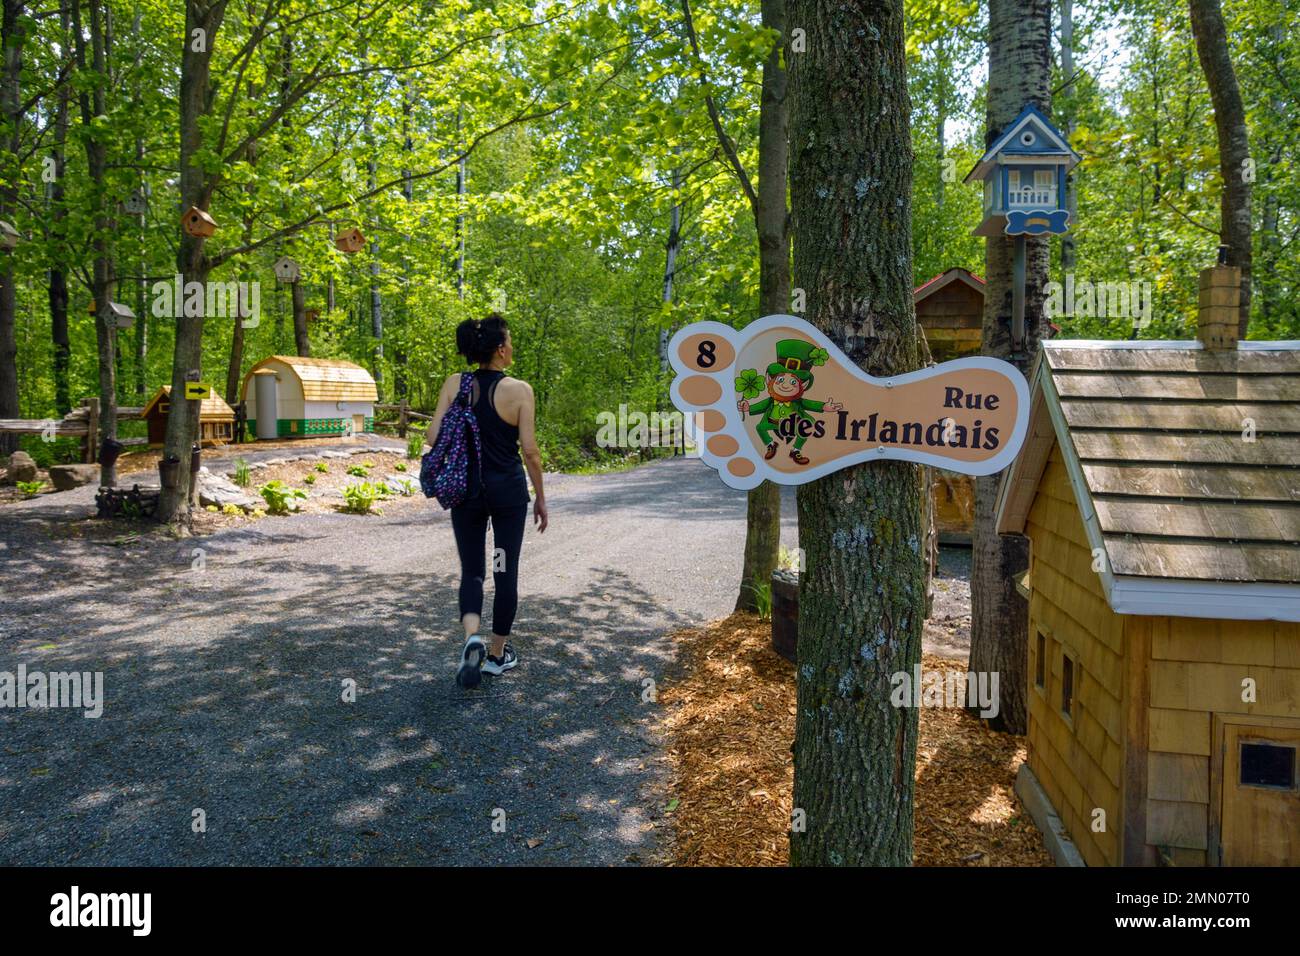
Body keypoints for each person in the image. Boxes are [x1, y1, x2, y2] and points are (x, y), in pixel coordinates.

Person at [425, 314, 548, 689]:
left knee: (473, 571)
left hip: (466, 492)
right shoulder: (519, 390)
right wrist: (541, 496)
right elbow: (529, 451)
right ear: (499, 348)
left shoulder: (454, 384)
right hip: (507, 495)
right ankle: (497, 654)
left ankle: (471, 640)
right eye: (509, 341)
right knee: (503, 568)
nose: (511, 347)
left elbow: (432, 437)